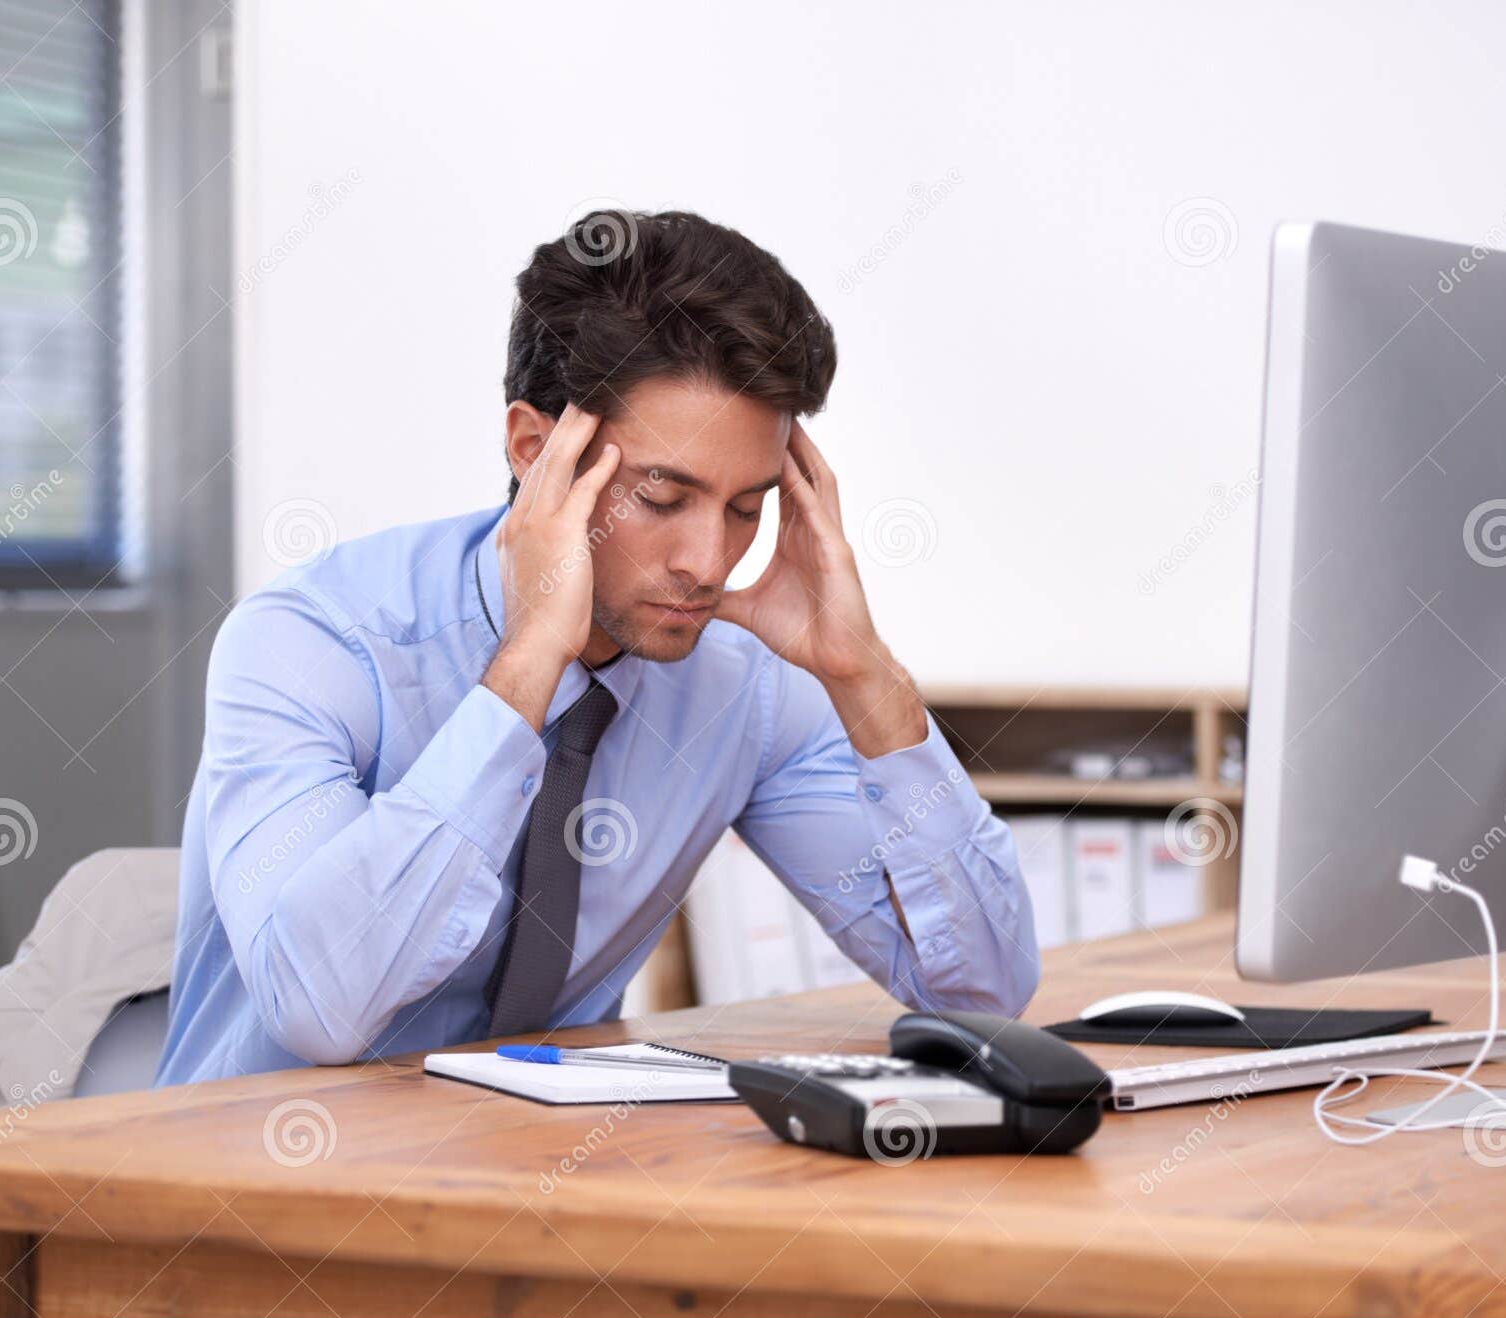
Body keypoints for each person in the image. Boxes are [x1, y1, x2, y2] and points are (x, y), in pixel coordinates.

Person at [155, 209, 1038, 1085]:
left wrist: (867, 678)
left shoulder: (745, 687)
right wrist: (531, 664)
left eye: (745, 508)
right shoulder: (312, 642)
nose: (708, 561)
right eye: (661, 497)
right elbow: (321, 1010)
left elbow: (981, 997)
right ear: (538, 450)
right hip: (242, 1190)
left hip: (545, 1190)